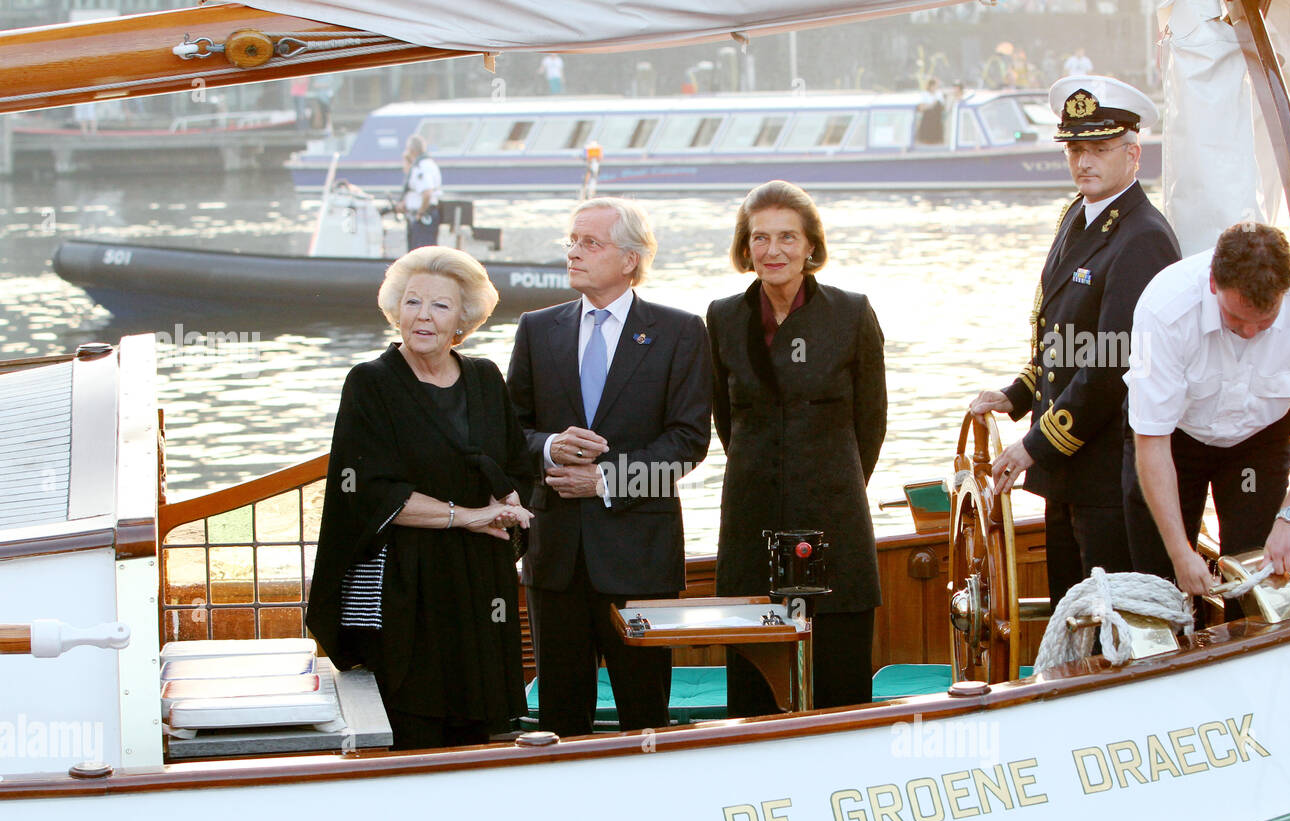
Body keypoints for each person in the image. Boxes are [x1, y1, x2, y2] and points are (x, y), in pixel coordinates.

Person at [306, 247, 533, 749]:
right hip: (406, 584)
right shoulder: (371, 384)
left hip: (478, 582)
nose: (423, 316)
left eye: (439, 306)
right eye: (412, 302)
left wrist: (513, 506)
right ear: (395, 310)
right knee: (414, 731)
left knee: (478, 733)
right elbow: (368, 493)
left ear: (463, 320)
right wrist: (468, 516)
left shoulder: (485, 377)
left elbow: (515, 463)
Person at [969, 75, 1180, 610]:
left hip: (1109, 478)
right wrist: (1018, 394)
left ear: (1133, 154)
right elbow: (1061, 335)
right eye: (1076, 148)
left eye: (1100, 148)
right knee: (1071, 619)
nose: (1084, 161)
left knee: (1110, 625)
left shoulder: (1143, 236)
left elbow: (1111, 365)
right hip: (1067, 474)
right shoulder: (1076, 215)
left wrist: (1034, 445)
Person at [506, 197, 710, 738]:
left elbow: (689, 443)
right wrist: (550, 447)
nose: (573, 252)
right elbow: (508, 433)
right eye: (571, 241)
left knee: (646, 721)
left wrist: (604, 480)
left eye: (589, 243)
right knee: (561, 723)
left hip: (639, 558)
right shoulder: (536, 328)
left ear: (630, 259)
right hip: (556, 560)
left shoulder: (679, 331)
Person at [708, 180, 887, 715]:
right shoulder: (723, 317)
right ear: (745, 248)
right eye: (759, 238)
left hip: (835, 516)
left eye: (788, 237)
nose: (773, 250)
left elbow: (870, 425)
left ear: (811, 246)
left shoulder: (851, 314)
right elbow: (726, 420)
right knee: (755, 690)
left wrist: (832, 483)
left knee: (839, 685)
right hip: (750, 517)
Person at [1124, 222, 1290, 603]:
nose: (1251, 333)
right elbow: (1152, 442)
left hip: (1258, 445)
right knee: (1158, 583)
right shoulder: (1164, 309)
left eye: (1265, 320)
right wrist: (1180, 553)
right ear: (1213, 285)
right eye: (1236, 319)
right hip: (1174, 443)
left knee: (1260, 576)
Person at [400, 134, 442, 251]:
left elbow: (427, 193)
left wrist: (419, 214)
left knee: (420, 256)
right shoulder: (429, 164)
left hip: (423, 219)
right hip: (425, 216)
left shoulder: (421, 167)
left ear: (411, 151)